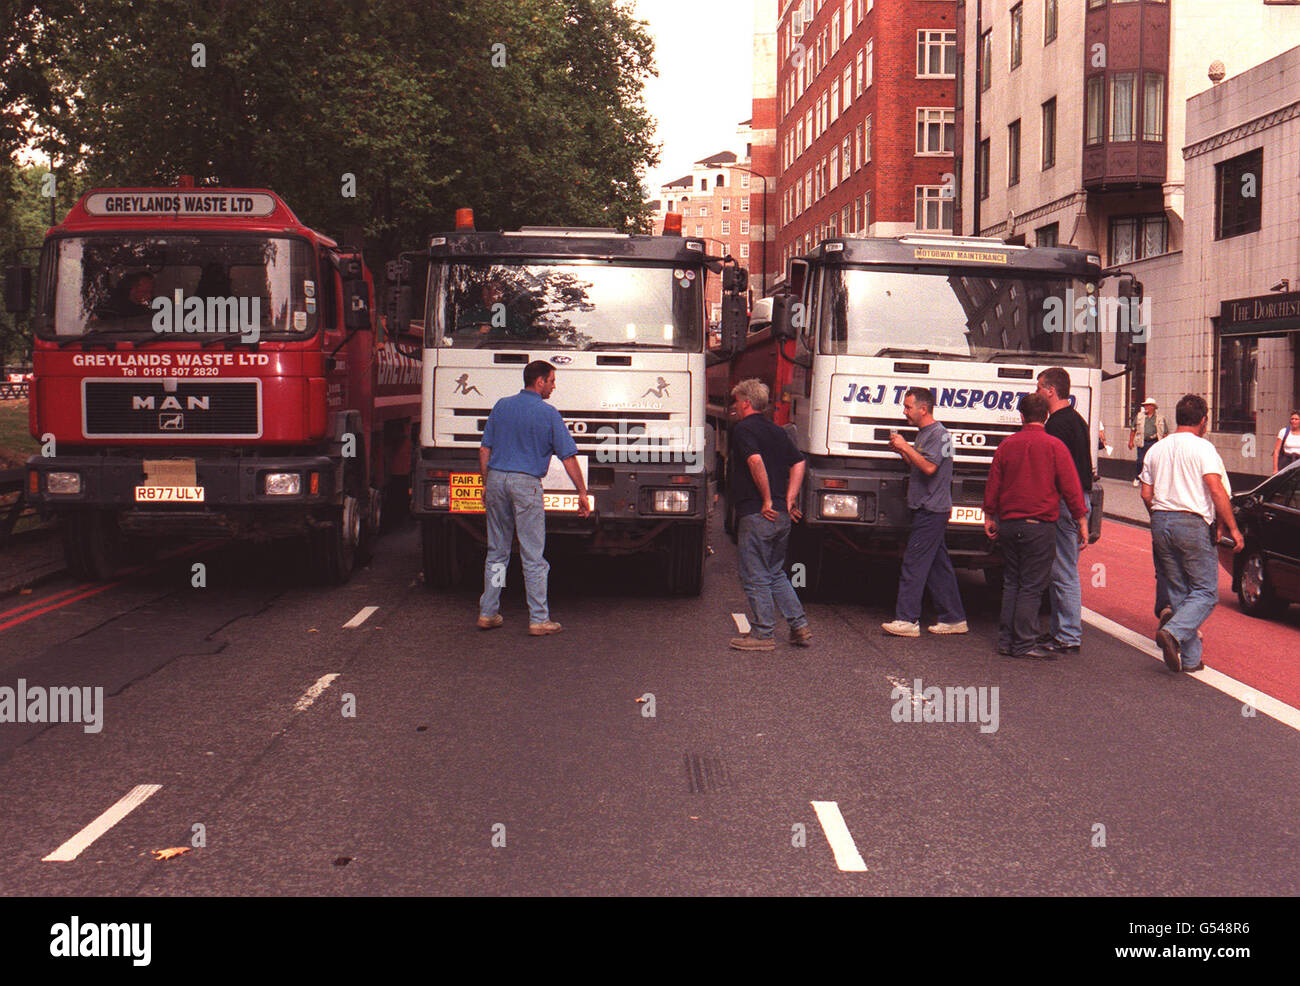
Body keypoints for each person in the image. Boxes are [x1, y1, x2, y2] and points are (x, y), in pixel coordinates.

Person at [477, 360, 591, 635]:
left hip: (496, 480)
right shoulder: (548, 413)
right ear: (539, 382)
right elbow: (568, 457)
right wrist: (582, 492)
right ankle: (539, 618)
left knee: (497, 552)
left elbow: (485, 449)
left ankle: (488, 612)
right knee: (532, 554)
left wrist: (486, 484)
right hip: (525, 484)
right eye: (552, 381)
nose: (554, 386)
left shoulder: (502, 405)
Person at [1140, 394, 1244, 673]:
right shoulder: (1203, 448)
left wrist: (1160, 517)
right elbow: (1215, 488)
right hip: (1192, 522)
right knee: (1206, 592)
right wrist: (1233, 528)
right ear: (1203, 420)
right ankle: (1173, 632)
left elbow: (1145, 493)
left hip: (1161, 520)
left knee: (1177, 589)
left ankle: (1190, 659)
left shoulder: (1156, 449)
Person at [983, 392, 1088, 660]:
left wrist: (989, 515)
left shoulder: (1007, 445)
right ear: (1046, 416)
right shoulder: (1054, 447)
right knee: (1031, 585)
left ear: (1021, 416)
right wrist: (1081, 520)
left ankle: (1006, 640)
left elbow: (993, 483)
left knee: (1012, 582)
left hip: (1009, 524)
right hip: (1038, 525)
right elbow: (1071, 487)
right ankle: (1025, 642)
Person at [727, 378, 811, 651]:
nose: (734, 407)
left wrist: (765, 499)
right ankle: (798, 626)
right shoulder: (778, 431)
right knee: (775, 572)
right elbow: (799, 461)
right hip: (782, 517)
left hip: (758, 513)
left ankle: (763, 634)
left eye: (736, 401)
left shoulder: (742, 430)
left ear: (746, 402)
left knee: (755, 575)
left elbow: (754, 461)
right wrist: (789, 498)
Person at [881, 387, 967, 637]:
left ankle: (907, 619)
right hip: (926, 506)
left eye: (908, 407)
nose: (904, 412)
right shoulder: (926, 433)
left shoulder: (939, 435)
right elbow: (922, 464)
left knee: (914, 563)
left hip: (932, 508)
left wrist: (905, 448)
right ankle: (953, 617)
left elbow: (929, 467)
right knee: (938, 565)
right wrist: (904, 452)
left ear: (923, 409)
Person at [1036, 367, 1092, 655]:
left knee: (1063, 570)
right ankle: (1061, 631)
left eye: (1039, 388)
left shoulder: (1057, 425)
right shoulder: (1077, 421)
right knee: (1062, 568)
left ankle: (1068, 634)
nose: (1037, 394)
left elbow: (1061, 473)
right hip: (1078, 501)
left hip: (1068, 503)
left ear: (1051, 390)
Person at [1128, 398, 1168, 487]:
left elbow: (1165, 432)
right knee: (1140, 461)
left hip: (1154, 442)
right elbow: (1133, 429)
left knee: (1154, 462)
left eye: (1147, 405)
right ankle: (1137, 477)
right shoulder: (1139, 416)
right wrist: (1131, 441)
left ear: (1153, 407)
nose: (1145, 407)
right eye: (1145, 405)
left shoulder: (1160, 418)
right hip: (1142, 441)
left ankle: (1152, 480)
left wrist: (1165, 446)